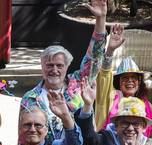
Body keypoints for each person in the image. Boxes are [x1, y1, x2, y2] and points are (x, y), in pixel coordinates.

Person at [20, 0, 109, 137]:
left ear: (67, 67)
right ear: (42, 67)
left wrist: (101, 18)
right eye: (49, 65)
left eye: (59, 65)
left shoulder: (80, 83)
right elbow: (24, 135)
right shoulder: (30, 97)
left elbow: (95, 57)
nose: (54, 70)